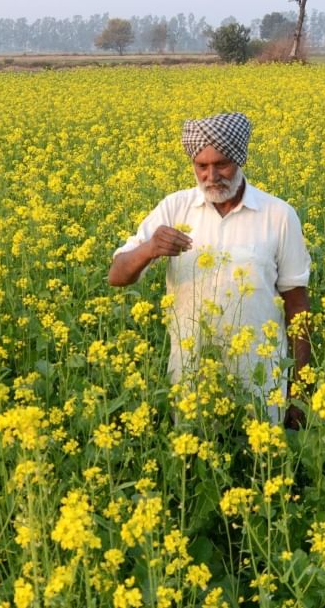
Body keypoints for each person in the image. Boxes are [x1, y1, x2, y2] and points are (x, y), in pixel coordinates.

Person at [108, 112, 312, 428]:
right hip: (192, 377)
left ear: (240, 159)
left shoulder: (278, 215)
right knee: (195, 452)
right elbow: (117, 276)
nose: (211, 175)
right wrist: (150, 248)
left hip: (260, 379)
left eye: (222, 164)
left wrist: (299, 390)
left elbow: (297, 307)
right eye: (201, 166)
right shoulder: (174, 208)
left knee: (262, 457)